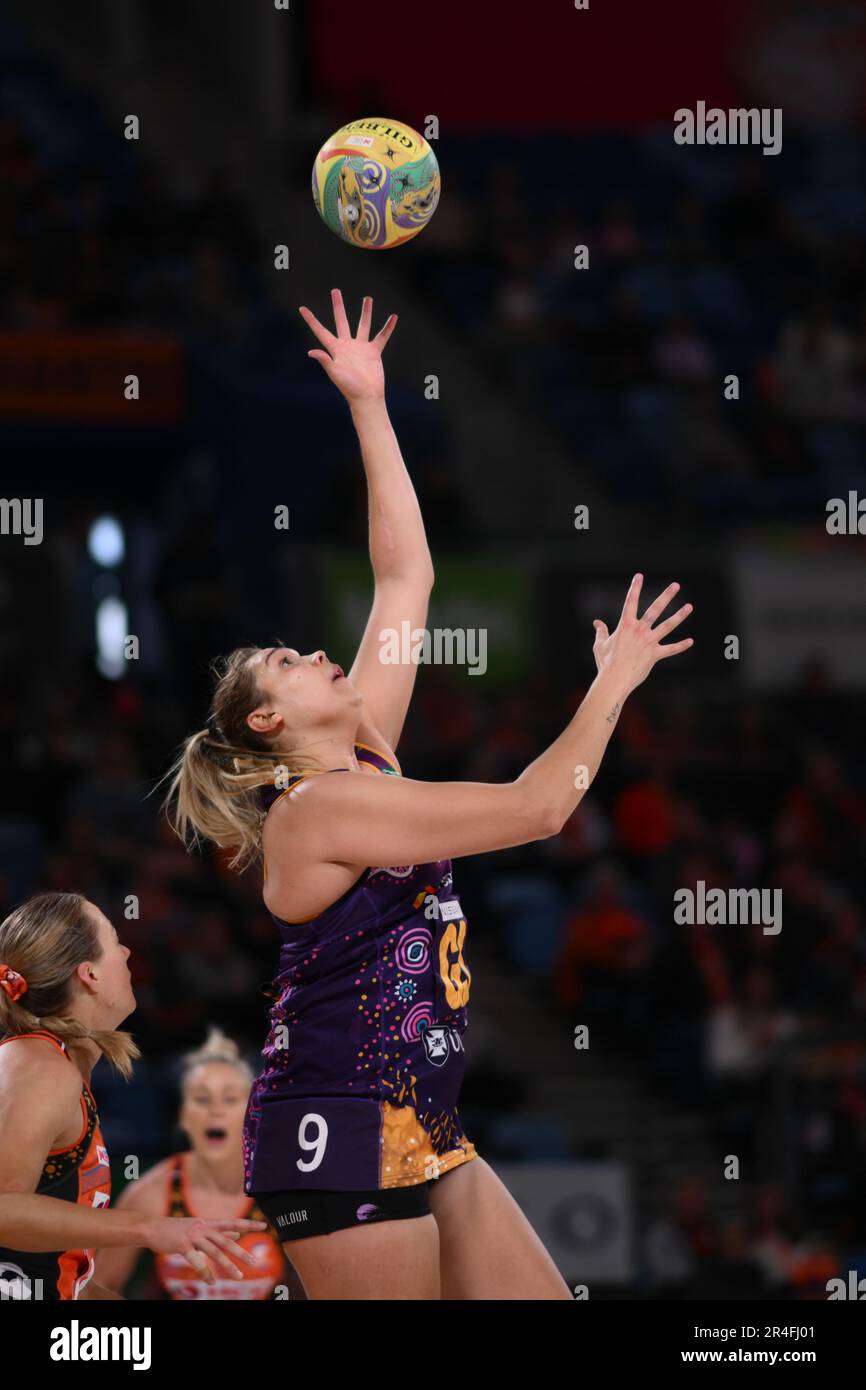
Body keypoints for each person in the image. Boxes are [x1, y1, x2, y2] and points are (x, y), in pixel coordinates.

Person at [164, 287, 694, 1300]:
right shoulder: (320, 811)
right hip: (336, 1117)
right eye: (288, 659)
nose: (320, 650)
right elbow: (540, 808)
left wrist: (366, 401)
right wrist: (611, 684)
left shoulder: (362, 755)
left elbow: (403, 576)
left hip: (416, 1115)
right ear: (268, 724)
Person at [0, 892, 267, 1299]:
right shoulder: (38, 1063)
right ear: (88, 974)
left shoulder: (54, 1064)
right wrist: (148, 1227)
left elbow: (63, 1279)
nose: (126, 950)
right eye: (113, 939)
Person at [95, 1027, 293, 1299]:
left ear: (252, 1115)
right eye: (201, 1099)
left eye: (230, 1099)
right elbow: (101, 1284)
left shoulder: (282, 1191)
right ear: (184, 1117)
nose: (215, 1109)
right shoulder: (151, 1193)